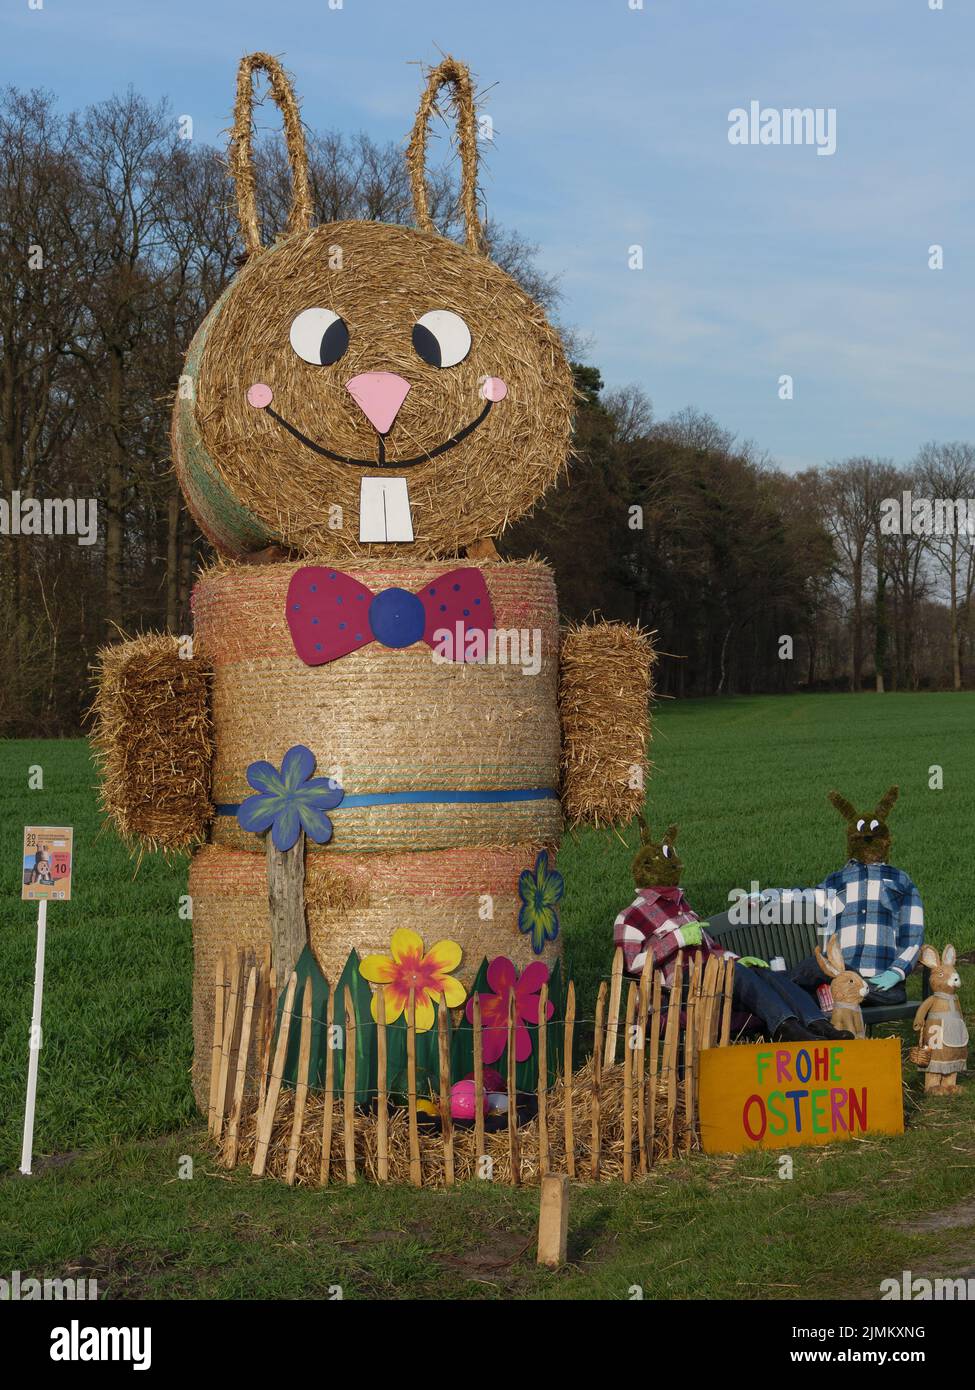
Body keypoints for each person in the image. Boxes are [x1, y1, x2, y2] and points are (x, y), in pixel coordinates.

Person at [614, 817, 853, 1043]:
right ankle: (785, 1027)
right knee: (735, 973)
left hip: (712, 974)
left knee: (765, 973)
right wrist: (676, 938)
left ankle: (817, 1024)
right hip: (680, 986)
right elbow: (632, 964)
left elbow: (711, 949)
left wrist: (737, 958)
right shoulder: (631, 916)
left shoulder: (680, 905)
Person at [764, 788, 924, 1007]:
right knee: (814, 967)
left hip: (879, 984)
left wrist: (896, 972)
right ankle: (782, 986)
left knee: (883, 994)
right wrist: (769, 898)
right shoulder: (837, 880)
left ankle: (794, 990)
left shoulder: (900, 881)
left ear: (885, 841)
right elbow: (806, 899)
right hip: (840, 975)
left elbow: (913, 934)